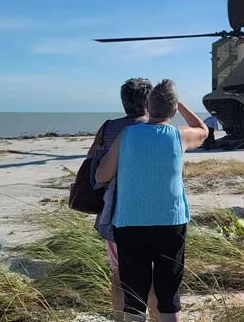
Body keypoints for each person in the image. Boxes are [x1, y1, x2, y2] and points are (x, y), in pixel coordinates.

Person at [95, 79, 209, 322]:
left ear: (148, 104)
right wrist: (180, 104)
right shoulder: (179, 136)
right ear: (174, 110)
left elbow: (101, 175)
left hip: (129, 222)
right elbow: (203, 129)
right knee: (169, 297)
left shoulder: (127, 135)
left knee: (134, 298)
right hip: (170, 222)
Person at [86, 77, 158, 322]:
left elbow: (91, 161)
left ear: (123, 100)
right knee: (152, 275)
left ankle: (120, 319)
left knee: (119, 273)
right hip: (152, 211)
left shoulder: (108, 127)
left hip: (115, 211)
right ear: (149, 100)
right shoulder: (156, 126)